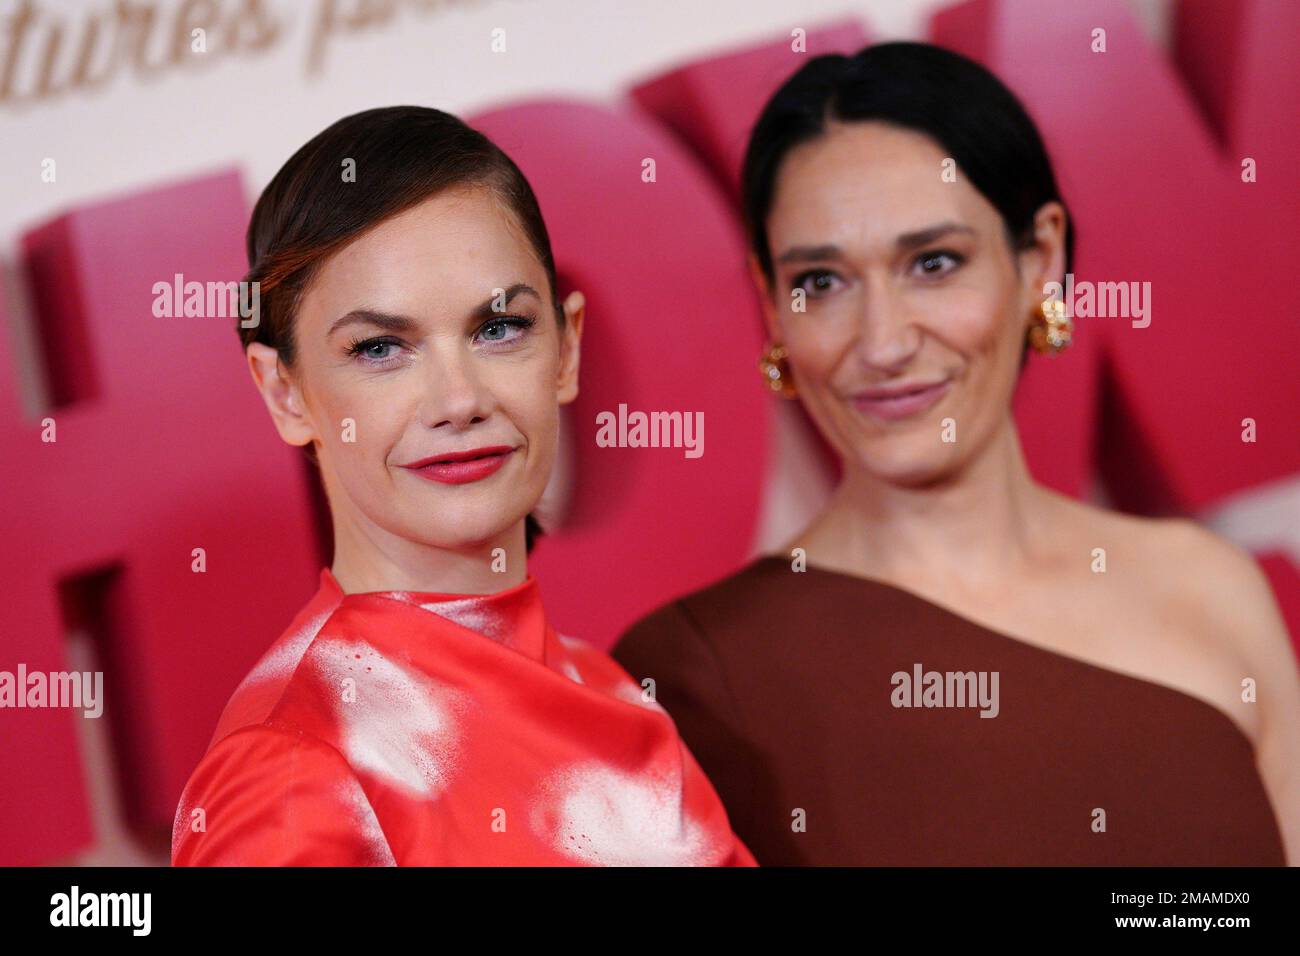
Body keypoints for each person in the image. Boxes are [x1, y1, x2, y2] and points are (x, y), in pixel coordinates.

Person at [612, 42, 1299, 866]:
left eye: (933, 264)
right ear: (771, 302)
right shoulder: (692, 677)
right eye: (822, 282)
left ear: (1039, 260)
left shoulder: (1210, 587)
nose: (884, 342)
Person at [171, 106, 755, 867]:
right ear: (285, 393)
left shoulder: (610, 689)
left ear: (566, 349)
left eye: (499, 328)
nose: (459, 400)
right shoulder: (292, 763)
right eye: (381, 347)